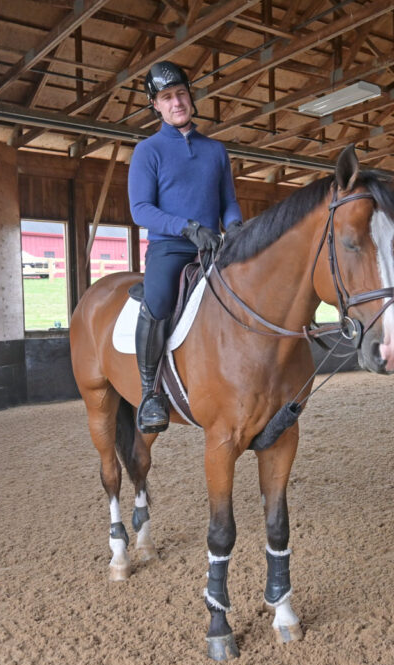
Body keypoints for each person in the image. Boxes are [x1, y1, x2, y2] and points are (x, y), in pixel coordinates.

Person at [128, 60, 243, 433]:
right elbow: (140, 209)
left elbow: (228, 200)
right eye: (166, 97)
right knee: (159, 300)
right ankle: (150, 394)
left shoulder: (215, 150)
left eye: (180, 94)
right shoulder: (148, 151)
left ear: (190, 97)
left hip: (214, 246)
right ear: (156, 105)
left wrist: (235, 226)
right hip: (171, 248)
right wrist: (188, 228)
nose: (176, 102)